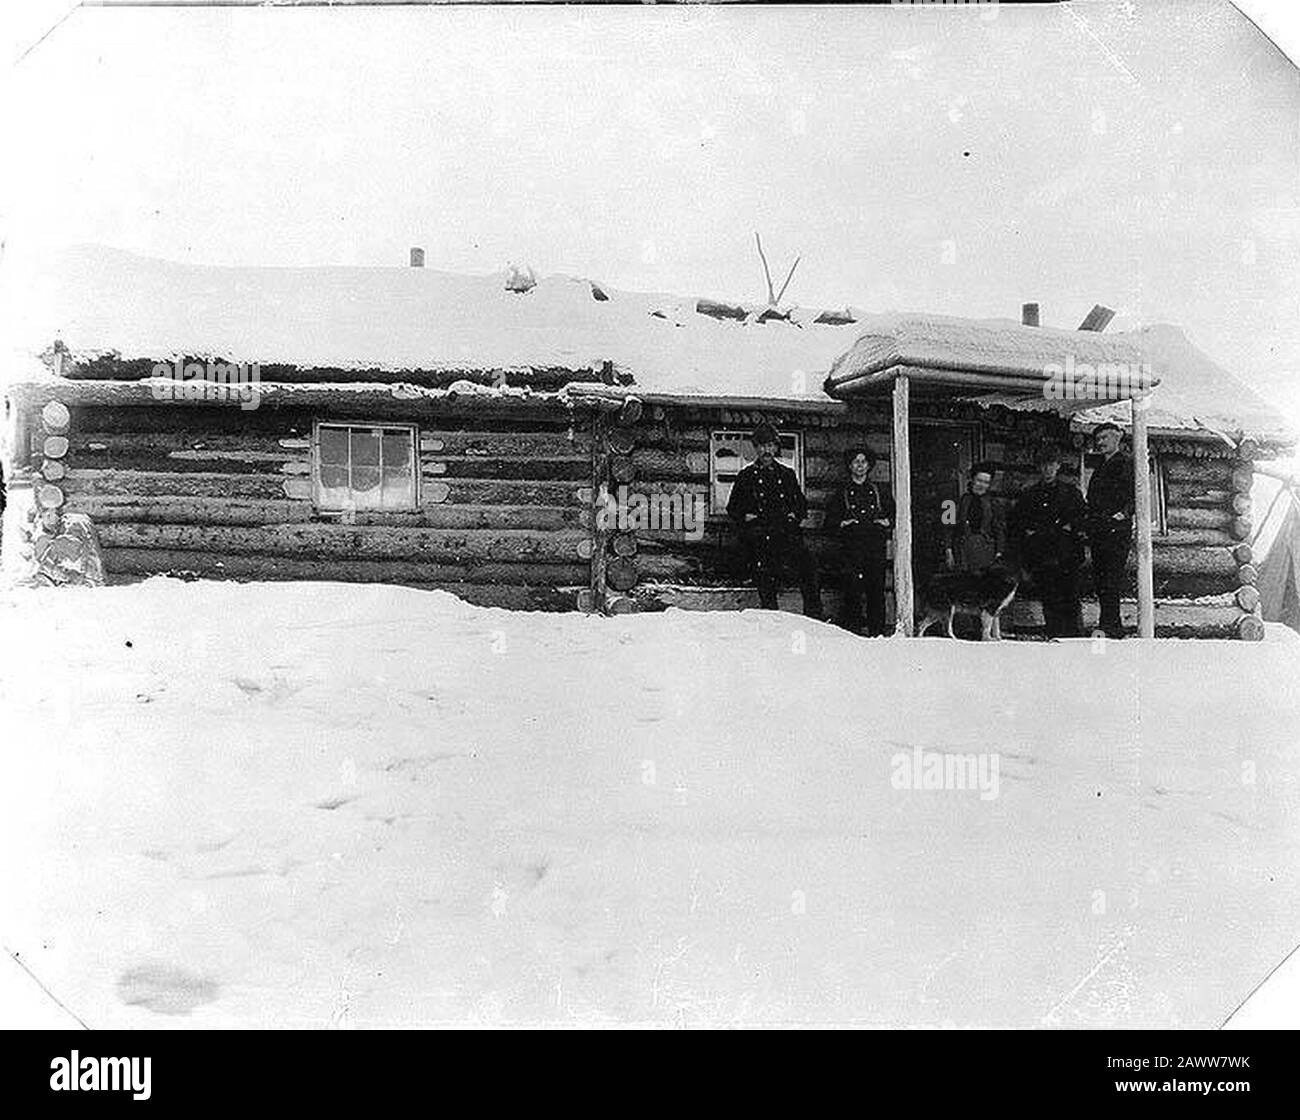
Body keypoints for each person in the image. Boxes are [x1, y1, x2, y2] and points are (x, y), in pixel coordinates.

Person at [727, 422, 823, 618]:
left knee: (808, 564)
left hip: (785, 534)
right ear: (755, 448)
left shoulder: (786, 475)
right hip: (759, 536)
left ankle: (814, 618)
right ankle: (771, 619)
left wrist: (793, 517)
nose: (766, 451)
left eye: (770, 446)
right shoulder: (746, 476)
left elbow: (801, 506)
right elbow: (733, 509)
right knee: (764, 569)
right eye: (761, 446)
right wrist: (747, 518)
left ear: (776, 447)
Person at [1009, 444, 1088, 638]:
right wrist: (1031, 534)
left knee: (1070, 596)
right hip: (1042, 555)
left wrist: (1071, 528)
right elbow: (1019, 522)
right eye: (1044, 465)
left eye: (1051, 464)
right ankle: (1055, 635)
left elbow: (1082, 517)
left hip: (1067, 554)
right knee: (1049, 597)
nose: (1048, 469)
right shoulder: (1030, 495)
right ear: (1039, 467)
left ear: (1058, 466)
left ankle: (1074, 636)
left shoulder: (1071, 493)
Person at [826, 447, 895, 636]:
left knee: (876, 592)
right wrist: (843, 523)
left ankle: (877, 633)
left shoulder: (879, 491)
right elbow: (829, 522)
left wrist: (887, 522)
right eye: (856, 462)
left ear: (869, 465)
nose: (860, 466)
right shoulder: (843, 493)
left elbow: (894, 515)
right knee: (852, 592)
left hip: (875, 549)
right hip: (852, 550)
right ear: (850, 465)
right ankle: (853, 633)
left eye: (863, 462)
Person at [1085, 423, 1134, 639]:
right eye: (1098, 439)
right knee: (1101, 579)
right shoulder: (1099, 468)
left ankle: (1113, 627)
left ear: (1117, 438)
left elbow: (1136, 494)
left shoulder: (1125, 463)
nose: (1101, 442)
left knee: (1111, 579)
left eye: (1105, 437)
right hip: (1100, 530)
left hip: (1116, 530)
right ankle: (1107, 624)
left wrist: (1123, 514)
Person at [945, 462, 1005, 574]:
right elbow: (948, 529)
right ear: (972, 479)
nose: (981, 485)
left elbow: (1000, 530)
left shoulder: (995, 504)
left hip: (986, 555)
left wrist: (999, 553)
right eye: (979, 480)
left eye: (986, 482)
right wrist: (948, 552)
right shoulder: (953, 502)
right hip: (963, 555)